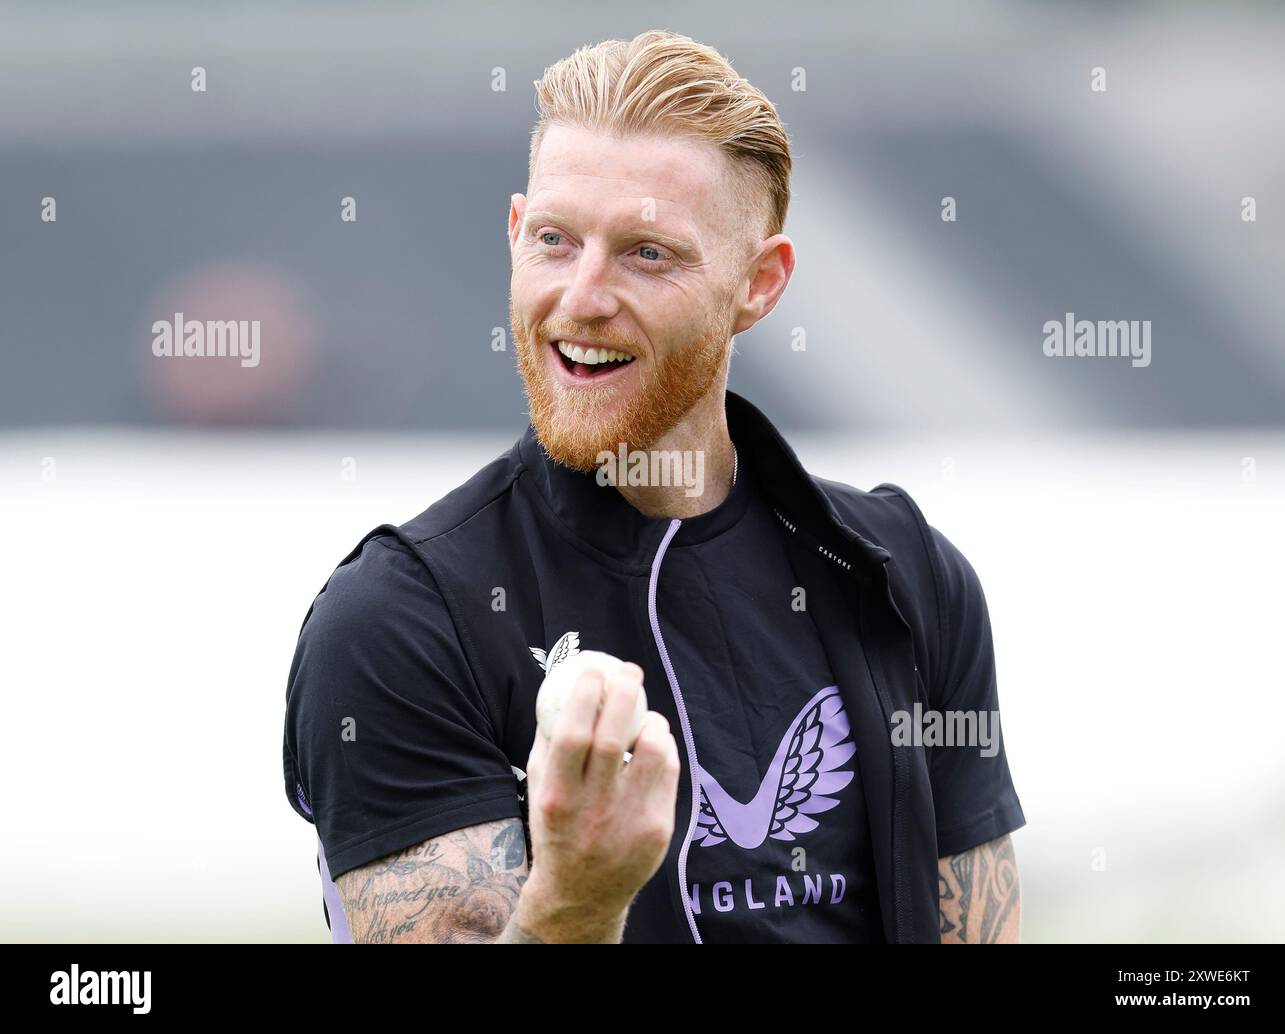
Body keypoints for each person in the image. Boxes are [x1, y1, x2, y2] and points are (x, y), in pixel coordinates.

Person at [282, 29, 1025, 944]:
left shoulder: (902, 572)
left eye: (646, 254)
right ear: (514, 235)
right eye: (556, 240)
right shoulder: (399, 619)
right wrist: (580, 900)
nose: (582, 296)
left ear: (759, 284)